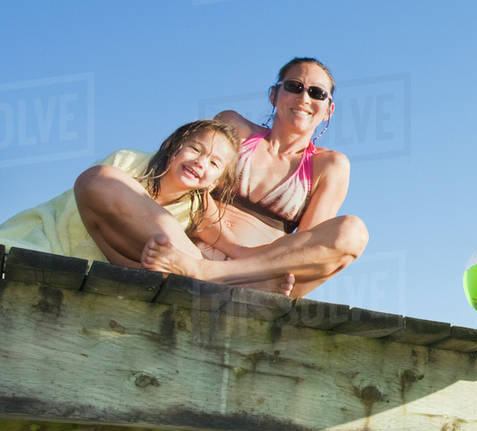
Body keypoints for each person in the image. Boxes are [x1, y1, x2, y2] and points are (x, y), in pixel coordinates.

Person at [120, 58, 368, 297]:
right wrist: (238, 253)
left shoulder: (330, 165)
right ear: (274, 95)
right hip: (185, 252)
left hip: (260, 281)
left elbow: (306, 247)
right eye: (294, 87)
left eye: (317, 93)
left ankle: (225, 278)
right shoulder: (234, 127)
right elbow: (192, 191)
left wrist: (250, 268)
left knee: (353, 232)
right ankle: (207, 272)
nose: (304, 98)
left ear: (328, 110)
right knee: (102, 181)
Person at [0, 119, 240, 268]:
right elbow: (92, 204)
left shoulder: (190, 212)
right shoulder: (128, 161)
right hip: (53, 237)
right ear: (172, 146)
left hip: (105, 268)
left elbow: (235, 247)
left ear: (213, 183)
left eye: (214, 163)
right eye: (195, 149)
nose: (200, 162)